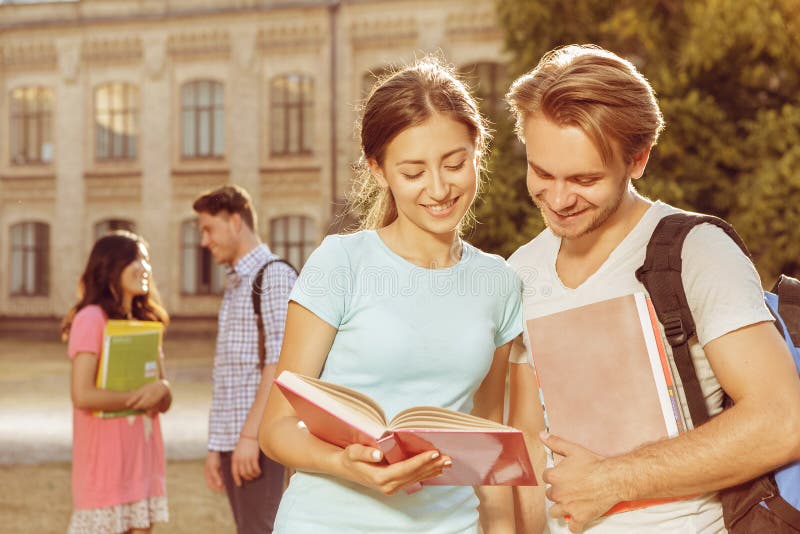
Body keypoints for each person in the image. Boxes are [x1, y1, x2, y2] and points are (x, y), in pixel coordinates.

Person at [505, 44, 800, 533]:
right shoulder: (520, 273)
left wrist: (613, 479)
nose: (557, 199)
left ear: (638, 159)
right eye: (541, 173)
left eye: (584, 178)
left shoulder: (697, 251)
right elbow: (529, 451)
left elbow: (783, 420)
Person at [258, 57, 522, 533]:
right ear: (379, 170)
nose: (439, 188)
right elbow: (276, 429)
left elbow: (488, 445)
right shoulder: (340, 263)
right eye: (413, 171)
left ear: (477, 151)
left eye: (455, 164)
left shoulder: (499, 283)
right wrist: (345, 464)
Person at [193, 184, 297, 534]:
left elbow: (281, 365)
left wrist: (250, 438)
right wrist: (216, 448)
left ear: (235, 221)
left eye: (209, 229)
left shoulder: (273, 277)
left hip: (260, 443)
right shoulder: (237, 282)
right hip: (233, 441)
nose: (204, 241)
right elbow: (229, 374)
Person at [62, 230, 172, 534]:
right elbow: (82, 395)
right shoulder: (91, 318)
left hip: (142, 459)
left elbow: (162, 395)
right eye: (135, 259)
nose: (145, 268)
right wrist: (138, 397)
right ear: (110, 266)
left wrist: (163, 390)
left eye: (147, 260)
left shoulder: (146, 321)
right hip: (105, 464)